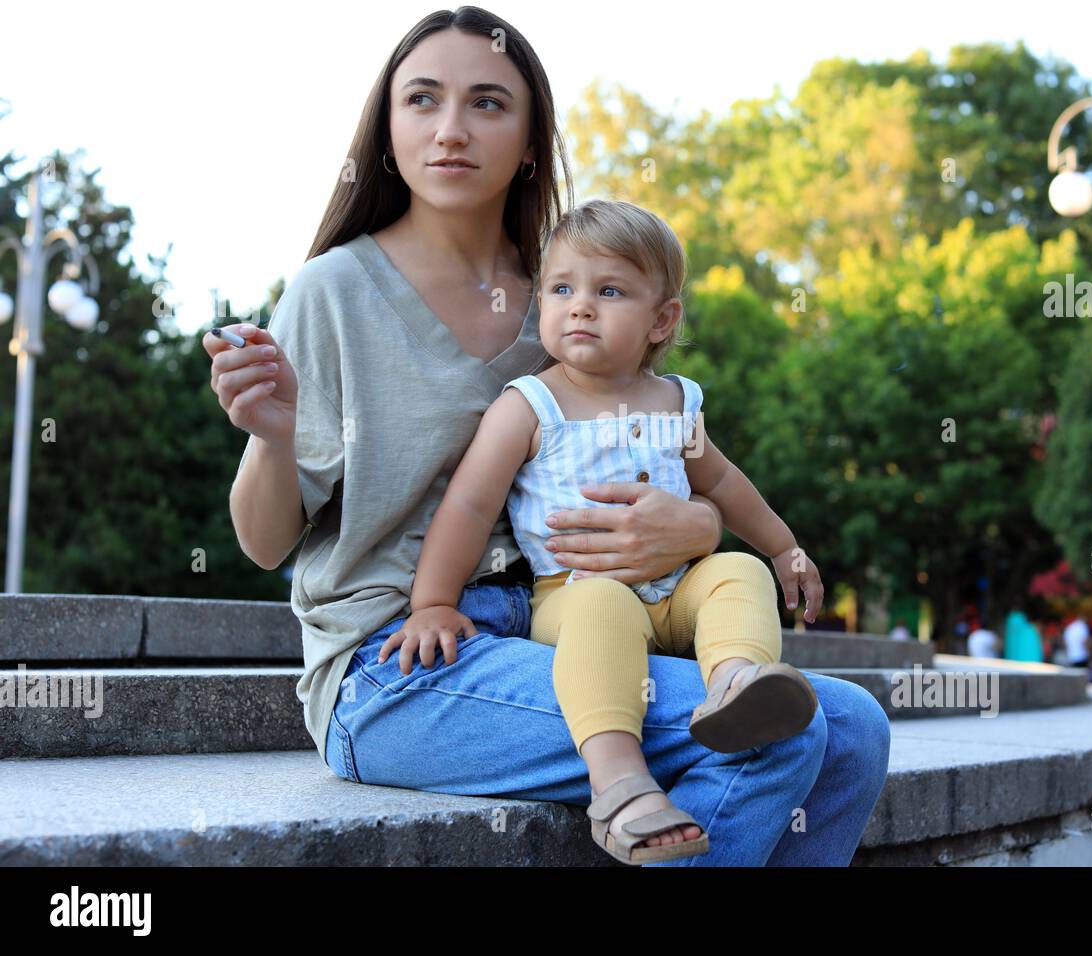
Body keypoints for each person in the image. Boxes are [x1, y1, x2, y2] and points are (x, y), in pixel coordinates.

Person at [207, 7, 890, 867]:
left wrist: (703, 530)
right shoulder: (332, 292)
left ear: (531, 140)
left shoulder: (566, 303)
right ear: (388, 126)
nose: (450, 129)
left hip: (559, 624)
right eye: (422, 99)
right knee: (781, 736)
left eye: (487, 103)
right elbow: (266, 544)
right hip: (397, 662)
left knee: (857, 727)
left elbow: (684, 465)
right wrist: (271, 437)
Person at [384, 198, 822, 864]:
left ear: (661, 319)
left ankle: (736, 685)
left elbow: (725, 486)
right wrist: (434, 603)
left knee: (738, 571)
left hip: (679, 594)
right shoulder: (531, 404)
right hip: (576, 592)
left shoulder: (679, 401)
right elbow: (469, 505)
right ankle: (618, 781)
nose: (580, 306)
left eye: (609, 290)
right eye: (563, 289)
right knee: (600, 604)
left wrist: (784, 547)